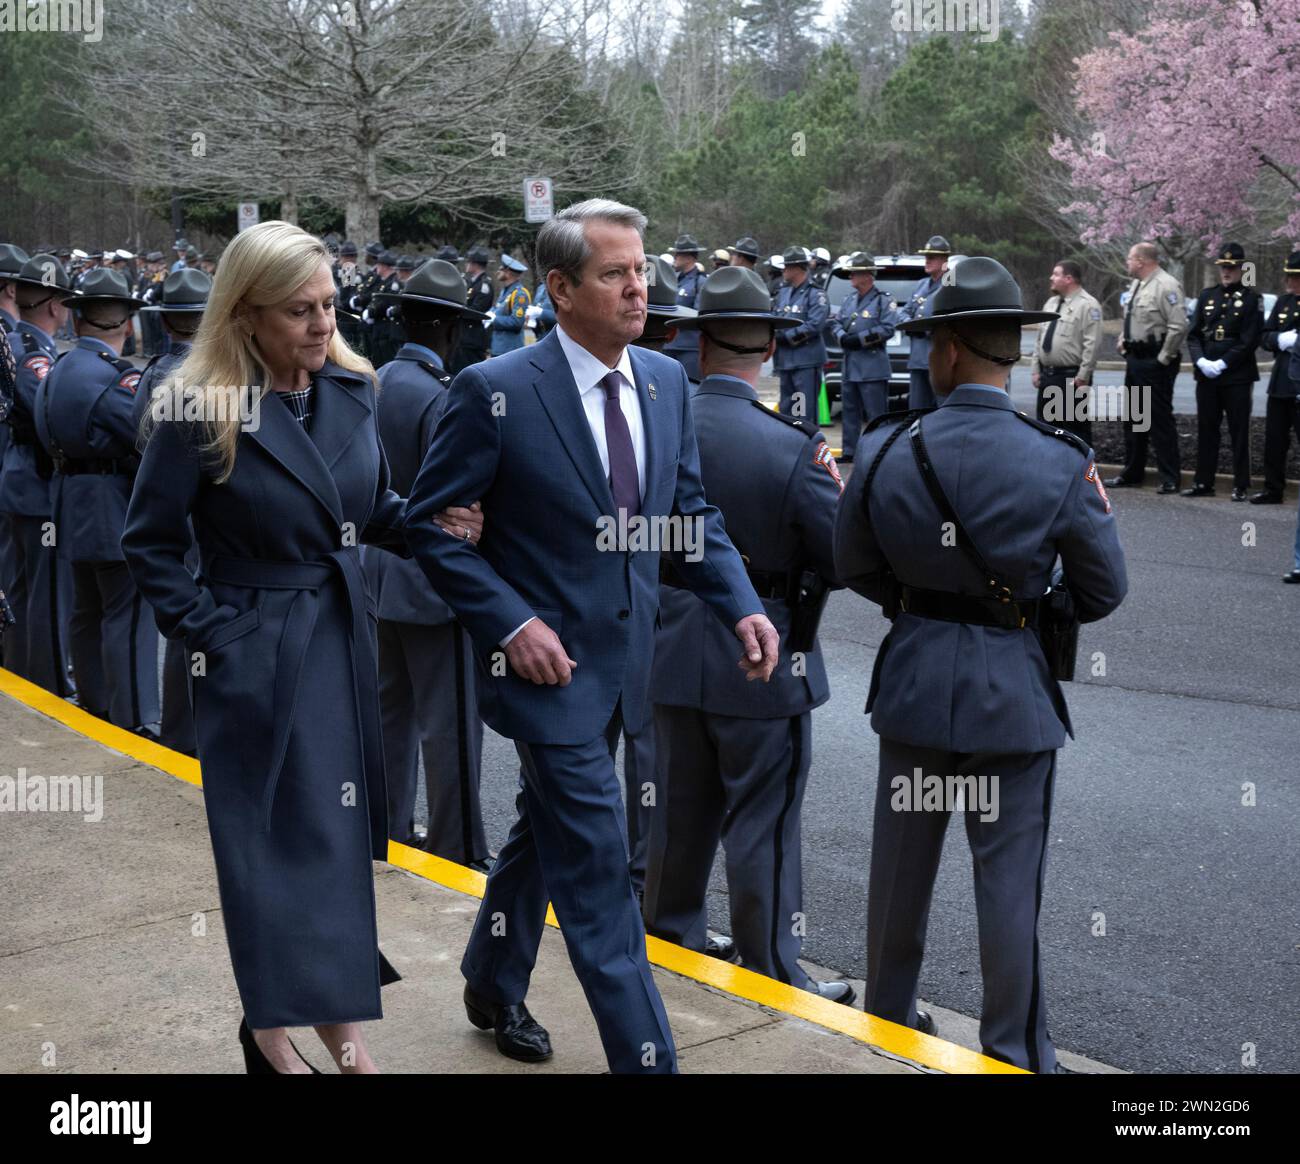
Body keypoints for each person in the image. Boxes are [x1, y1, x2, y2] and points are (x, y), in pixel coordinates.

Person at [404, 198, 777, 1074]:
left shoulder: (664, 382)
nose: (638, 288)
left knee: (547, 831)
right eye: (615, 273)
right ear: (561, 288)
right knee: (605, 873)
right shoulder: (493, 392)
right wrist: (513, 621)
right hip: (544, 676)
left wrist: (742, 604)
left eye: (641, 270)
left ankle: (492, 979)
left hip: (628, 663)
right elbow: (429, 526)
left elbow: (684, 516)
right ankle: (648, 1060)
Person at [121, 220, 480, 1073]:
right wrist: (215, 633)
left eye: (329, 305)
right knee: (269, 847)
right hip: (253, 651)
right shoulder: (196, 402)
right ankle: (274, 1032)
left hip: (338, 637)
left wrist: (440, 522)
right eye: (299, 311)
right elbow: (151, 543)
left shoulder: (354, 388)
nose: (323, 326)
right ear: (243, 314)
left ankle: (337, 1026)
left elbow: (373, 509)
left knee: (335, 839)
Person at [834, 256, 1127, 1073]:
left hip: (917, 681)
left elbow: (851, 562)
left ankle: (887, 1019)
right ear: (1016, 356)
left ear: (951, 350)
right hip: (1011, 692)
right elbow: (1104, 589)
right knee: (1008, 883)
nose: (927, 355)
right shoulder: (1058, 458)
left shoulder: (889, 446)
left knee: (898, 870)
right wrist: (1023, 609)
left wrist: (924, 607)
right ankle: (1014, 1048)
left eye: (931, 340)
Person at [642, 266, 854, 1003]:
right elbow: (840, 555)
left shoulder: (659, 425)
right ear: (766, 349)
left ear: (699, 348)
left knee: (674, 810)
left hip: (668, 643)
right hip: (763, 651)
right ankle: (768, 966)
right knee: (762, 821)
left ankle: (668, 938)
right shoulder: (794, 446)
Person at [364, 260, 491, 866]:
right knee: (450, 725)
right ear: (448, 329)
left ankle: (388, 829)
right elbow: (462, 504)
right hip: (434, 582)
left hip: (378, 577)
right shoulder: (442, 397)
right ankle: (456, 846)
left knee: (392, 713)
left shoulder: (373, 381)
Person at [33, 268, 157, 732]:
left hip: (68, 503)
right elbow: (149, 437)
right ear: (127, 324)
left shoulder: (59, 365)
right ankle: (135, 719)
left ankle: (94, 704)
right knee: (126, 616)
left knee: (86, 612)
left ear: (77, 319)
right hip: (110, 508)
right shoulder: (110, 377)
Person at [132, 267, 213, 755]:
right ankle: (188, 733)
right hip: (199, 515)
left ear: (165, 323)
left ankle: (178, 731)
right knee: (196, 616)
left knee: (178, 618)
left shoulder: (151, 374)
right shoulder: (201, 380)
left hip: (160, 505)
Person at [1, 254, 75, 696]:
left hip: (19, 480)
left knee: (23, 592)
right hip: (36, 484)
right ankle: (47, 687)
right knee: (45, 596)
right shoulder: (32, 354)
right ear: (55, 305)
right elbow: (49, 419)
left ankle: (23, 676)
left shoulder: (18, 344)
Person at [1105, 242, 1187, 493]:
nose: (1127, 263)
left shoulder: (1167, 285)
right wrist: (1123, 339)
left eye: (1129, 258)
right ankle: (1133, 472)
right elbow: (1134, 318)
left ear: (1142, 260)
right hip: (1136, 359)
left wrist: (1162, 359)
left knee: (1159, 420)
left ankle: (1170, 478)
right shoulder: (1138, 284)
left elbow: (1179, 325)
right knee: (1134, 420)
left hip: (1156, 361)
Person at [1183, 243, 1262, 501]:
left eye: (1232, 267)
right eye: (1223, 267)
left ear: (1241, 268)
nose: (1227, 272)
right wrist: (1201, 362)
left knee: (1239, 431)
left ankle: (1241, 484)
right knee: (1207, 429)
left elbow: (1249, 340)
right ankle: (1203, 482)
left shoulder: (1252, 299)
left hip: (1236, 375)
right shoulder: (1207, 296)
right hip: (1207, 374)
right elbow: (1193, 335)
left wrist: (1224, 363)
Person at [830, 251, 898, 458]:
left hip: (872, 367)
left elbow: (888, 329)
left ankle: (878, 452)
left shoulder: (883, 301)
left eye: (855, 273)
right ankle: (850, 451)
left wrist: (859, 339)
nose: (850, 276)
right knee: (850, 411)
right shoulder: (849, 300)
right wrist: (842, 337)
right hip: (850, 367)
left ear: (868, 275)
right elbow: (835, 322)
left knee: (876, 414)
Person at [1030, 260, 1103, 447]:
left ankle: (1082, 474)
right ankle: (1051, 473)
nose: (1051, 278)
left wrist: (1083, 376)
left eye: (1056, 274)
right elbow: (1040, 340)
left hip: (1072, 378)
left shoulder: (1088, 305)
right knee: (1046, 430)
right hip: (1048, 376)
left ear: (1068, 278)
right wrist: (1035, 369)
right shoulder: (1051, 303)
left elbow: (1092, 345)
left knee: (1076, 431)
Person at [1254, 251, 1300, 505]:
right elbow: (1265, 336)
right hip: (1281, 382)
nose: (1291, 283)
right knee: (1274, 441)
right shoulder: (1283, 302)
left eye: (1295, 278)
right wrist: (1280, 340)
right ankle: (1273, 489)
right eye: (1289, 277)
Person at [772, 245, 829, 420]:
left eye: (787, 266)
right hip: (785, 362)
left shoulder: (816, 294)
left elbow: (814, 325)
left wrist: (786, 337)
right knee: (786, 411)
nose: (783, 270)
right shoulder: (783, 293)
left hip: (805, 361)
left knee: (802, 412)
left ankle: (806, 446)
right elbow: (774, 317)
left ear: (798, 268)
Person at [896, 235, 950, 409]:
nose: (927, 260)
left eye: (932, 257)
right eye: (926, 256)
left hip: (939, 360)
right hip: (918, 358)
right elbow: (903, 313)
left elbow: (951, 321)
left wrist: (924, 328)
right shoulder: (921, 285)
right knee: (916, 411)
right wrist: (912, 326)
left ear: (944, 260)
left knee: (942, 410)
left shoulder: (951, 286)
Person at [662, 234, 705, 382]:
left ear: (689, 257)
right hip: (668, 344)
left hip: (688, 348)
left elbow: (698, 314)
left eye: (678, 254)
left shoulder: (700, 282)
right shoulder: (673, 279)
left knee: (689, 388)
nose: (675, 257)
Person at [453, 246, 495, 372]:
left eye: (469, 262)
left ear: (475, 264)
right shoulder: (473, 283)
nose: (466, 264)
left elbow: (476, 311)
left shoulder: (484, 285)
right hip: (464, 336)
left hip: (473, 337)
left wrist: (458, 309)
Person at [488, 254, 530, 356]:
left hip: (509, 350)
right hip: (499, 348)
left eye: (501, 269)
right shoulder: (505, 291)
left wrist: (494, 319)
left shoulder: (519, 293)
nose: (498, 272)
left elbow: (517, 322)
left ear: (508, 272)